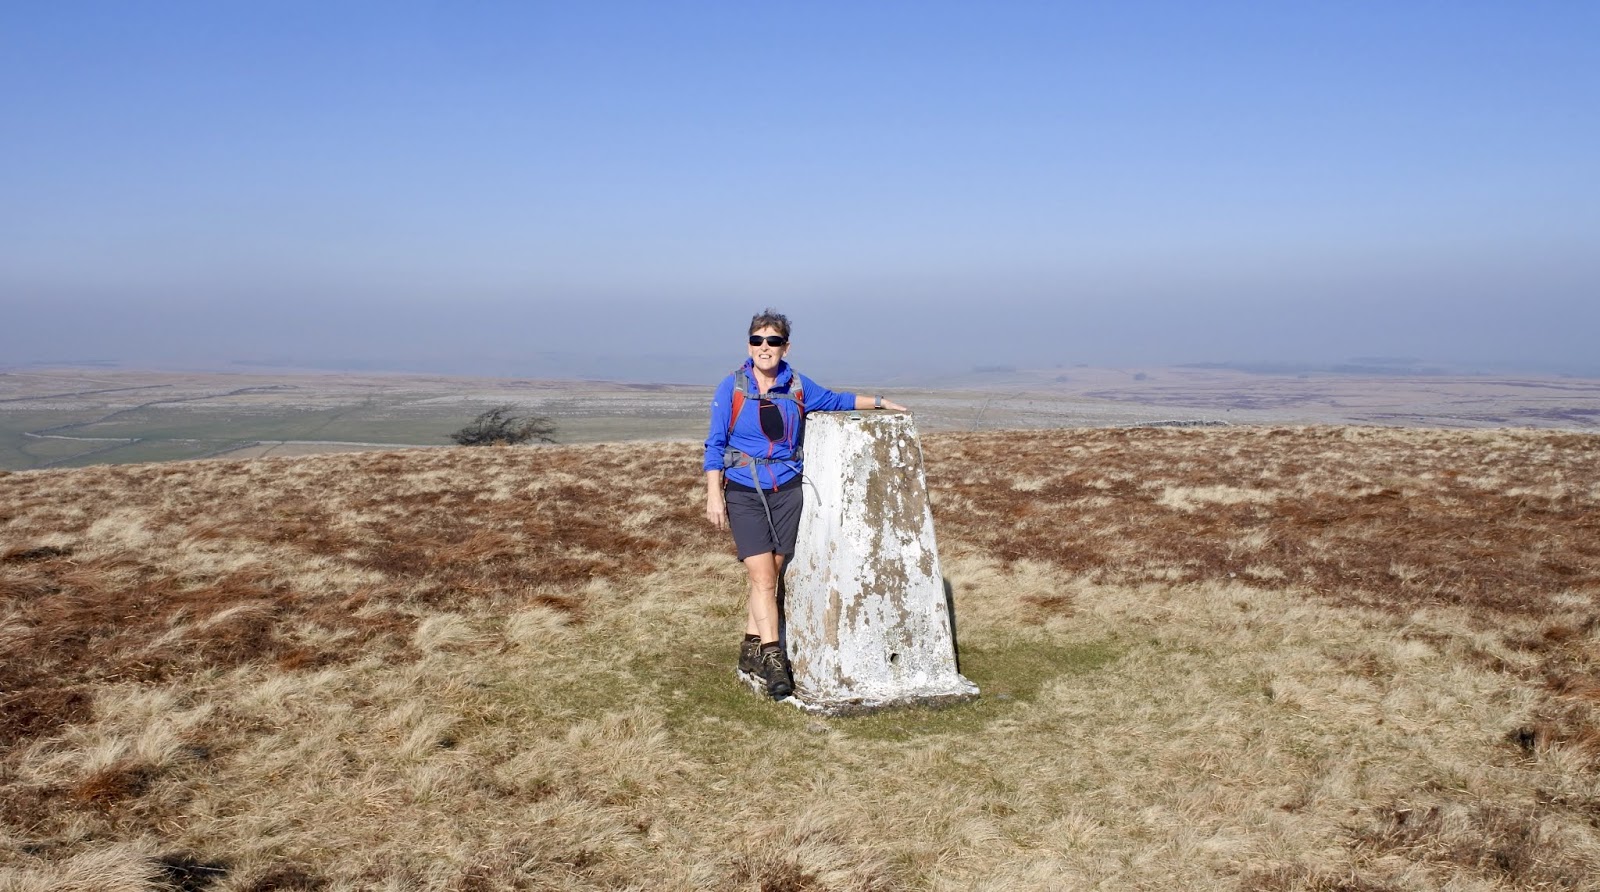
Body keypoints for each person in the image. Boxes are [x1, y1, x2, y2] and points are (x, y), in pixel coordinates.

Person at [703, 309, 907, 700]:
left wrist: (880, 402)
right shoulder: (731, 388)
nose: (766, 348)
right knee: (762, 577)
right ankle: (774, 661)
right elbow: (714, 445)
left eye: (773, 341)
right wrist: (714, 493)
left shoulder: (797, 386)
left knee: (773, 571)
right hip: (744, 491)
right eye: (759, 340)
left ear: (785, 346)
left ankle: (749, 647)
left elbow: (837, 399)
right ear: (749, 345)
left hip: (788, 490)